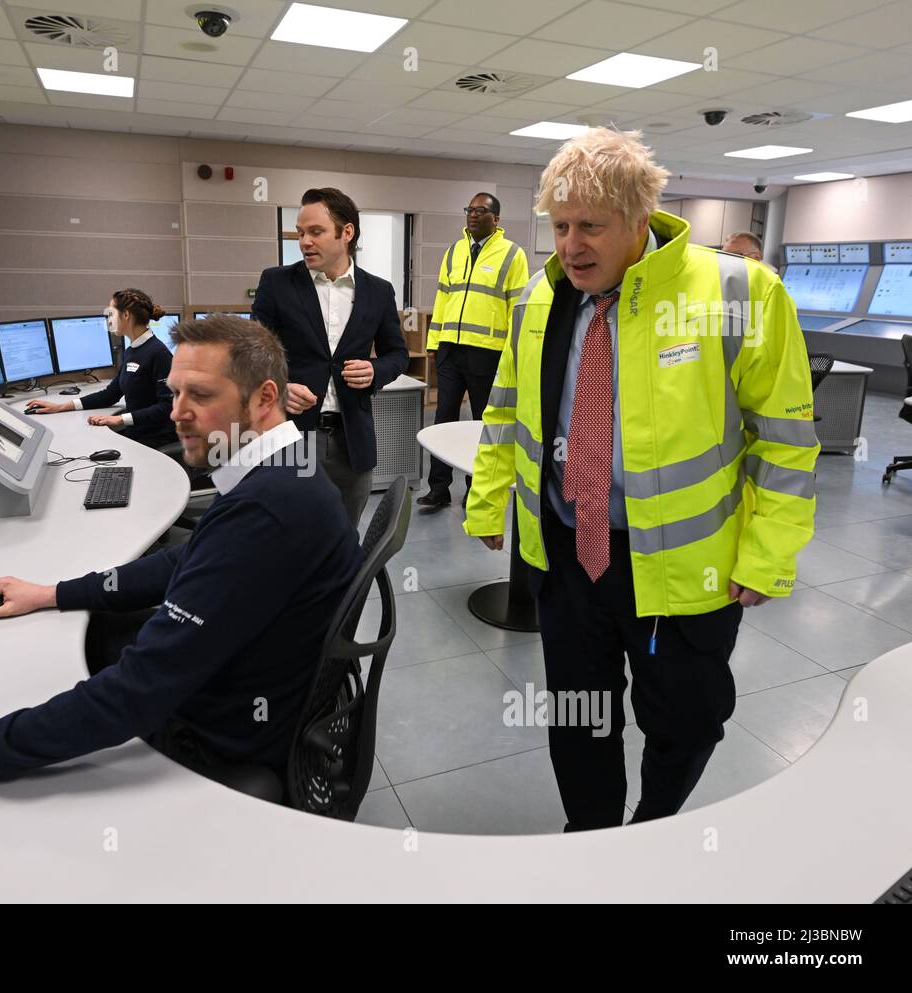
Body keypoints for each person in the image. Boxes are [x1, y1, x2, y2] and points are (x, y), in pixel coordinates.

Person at [0, 316, 363, 822]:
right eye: (173, 392)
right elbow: (185, 559)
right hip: (257, 693)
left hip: (220, 736)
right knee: (76, 643)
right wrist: (53, 593)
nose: (177, 414)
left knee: (27, 695)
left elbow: (138, 695)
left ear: (264, 399)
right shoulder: (291, 471)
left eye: (199, 396)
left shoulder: (264, 511)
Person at [465, 129, 818, 832]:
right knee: (578, 717)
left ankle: (656, 826)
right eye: (560, 226)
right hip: (569, 557)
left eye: (591, 226)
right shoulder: (541, 297)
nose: (570, 245)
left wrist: (769, 554)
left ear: (639, 216)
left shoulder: (737, 292)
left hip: (684, 568)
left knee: (688, 720)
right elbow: (508, 405)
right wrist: (487, 499)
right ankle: (592, 837)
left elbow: (784, 441)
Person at [252, 187, 409, 527]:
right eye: (301, 232)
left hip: (351, 440)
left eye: (316, 232)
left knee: (342, 536)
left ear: (346, 232)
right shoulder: (276, 283)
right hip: (288, 435)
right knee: (285, 536)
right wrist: (280, 385)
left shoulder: (379, 291)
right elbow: (252, 354)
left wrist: (375, 370)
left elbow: (397, 354)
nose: (304, 241)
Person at [418, 192, 528, 510]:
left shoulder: (512, 255)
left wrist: (513, 354)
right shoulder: (454, 251)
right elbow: (442, 298)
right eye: (469, 209)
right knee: (443, 419)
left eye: (481, 211)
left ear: (496, 219)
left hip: (487, 351)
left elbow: (516, 308)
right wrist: (434, 344)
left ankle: (476, 487)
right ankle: (438, 488)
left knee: (481, 423)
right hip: (451, 349)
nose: (473, 215)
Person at [26, 288, 176, 448]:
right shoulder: (132, 351)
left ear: (126, 315)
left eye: (111, 314)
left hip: (157, 438)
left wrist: (120, 419)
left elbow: (168, 407)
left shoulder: (159, 353)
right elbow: (112, 393)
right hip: (138, 433)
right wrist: (61, 407)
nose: (109, 321)